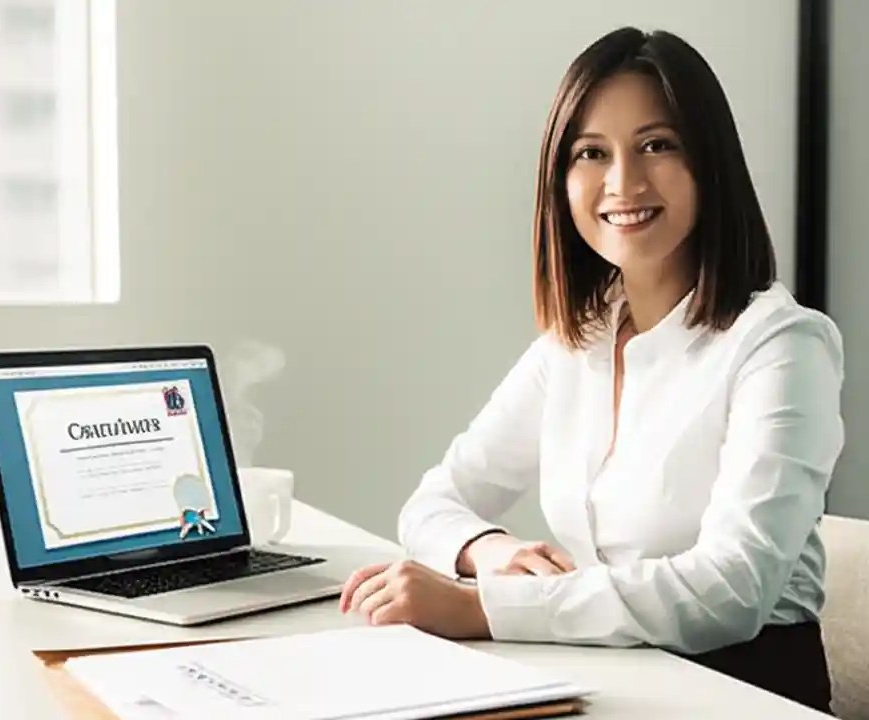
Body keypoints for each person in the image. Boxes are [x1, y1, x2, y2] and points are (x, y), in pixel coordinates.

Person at [337, 26, 842, 714]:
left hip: (742, 688)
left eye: (657, 146)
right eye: (591, 153)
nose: (623, 182)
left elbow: (732, 592)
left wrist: (484, 607)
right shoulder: (577, 340)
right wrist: (489, 552)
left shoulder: (781, 348)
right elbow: (433, 503)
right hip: (601, 673)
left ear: (710, 162)